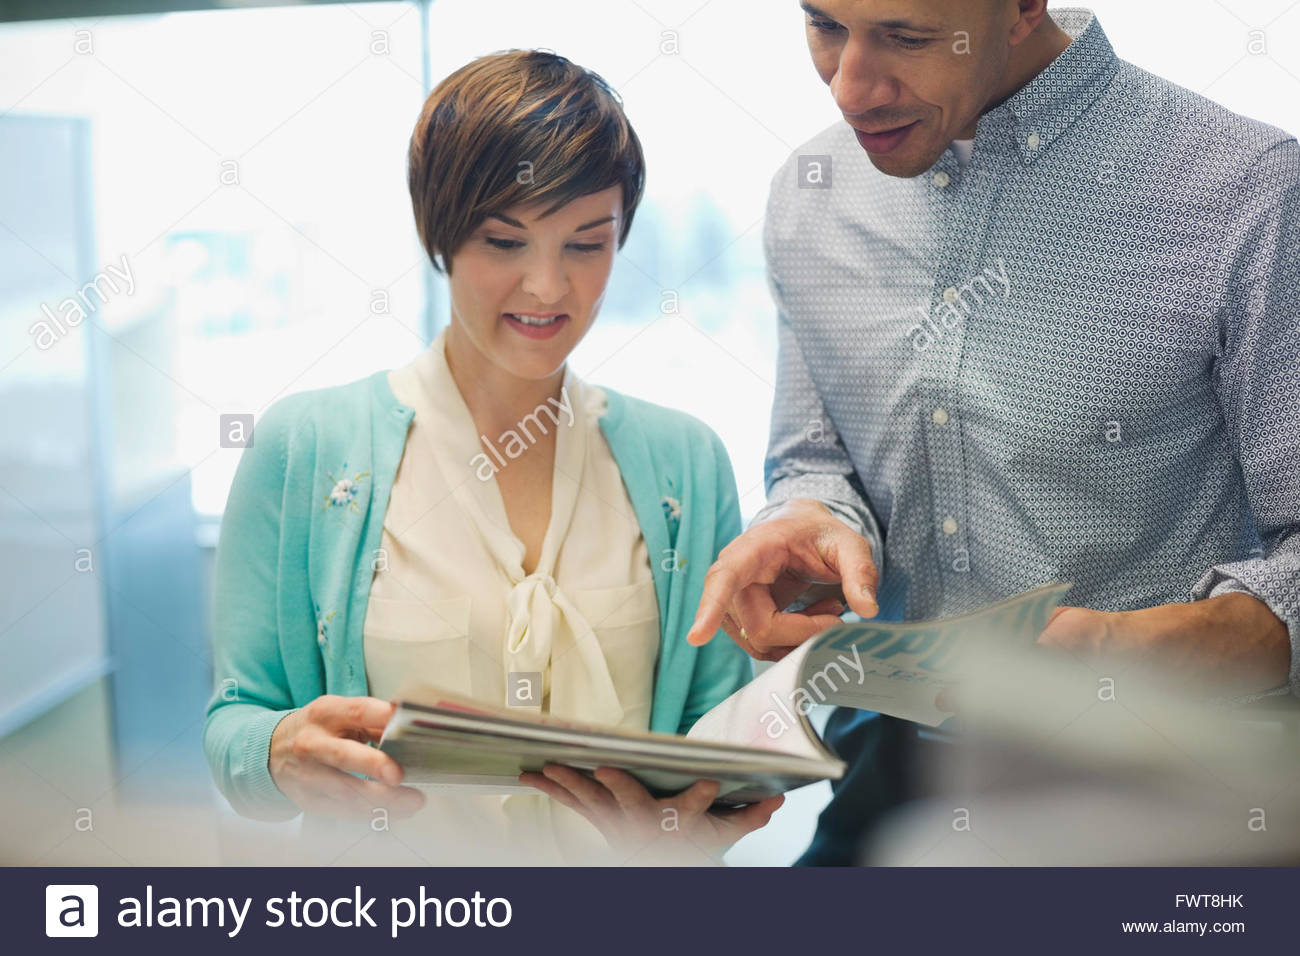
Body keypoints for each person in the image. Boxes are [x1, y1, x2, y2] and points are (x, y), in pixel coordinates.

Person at [686, 1, 1298, 865]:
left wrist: (1133, 651)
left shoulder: (1249, 189)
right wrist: (807, 521)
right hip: (887, 768)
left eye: (905, 37)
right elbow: (817, 464)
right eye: (824, 24)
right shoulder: (809, 195)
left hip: (1176, 785)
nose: (850, 86)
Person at [203, 49, 781, 865]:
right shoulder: (307, 446)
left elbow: (715, 737)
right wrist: (278, 754)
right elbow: (237, 719)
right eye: (504, 242)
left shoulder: (685, 459)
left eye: (587, 244)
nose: (547, 288)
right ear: (439, 232)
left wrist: (693, 824)